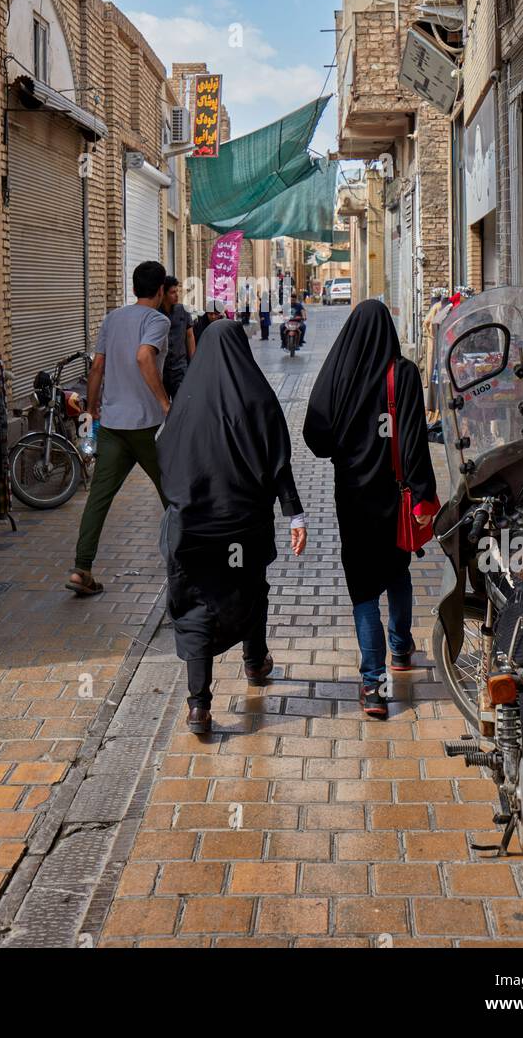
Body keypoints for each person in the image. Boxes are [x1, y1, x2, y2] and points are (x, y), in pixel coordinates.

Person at [157, 320, 307, 733]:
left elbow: (165, 457)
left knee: (197, 606)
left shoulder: (185, 402)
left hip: (195, 529)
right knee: (250, 590)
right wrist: (294, 513)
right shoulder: (256, 396)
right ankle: (255, 662)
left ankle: (198, 706)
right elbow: (278, 460)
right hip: (244, 529)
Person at [303, 300, 439, 718]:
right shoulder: (404, 373)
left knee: (363, 588)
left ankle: (373, 687)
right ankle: (401, 648)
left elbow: (315, 437)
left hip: (353, 500)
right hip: (395, 499)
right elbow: (415, 442)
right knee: (397, 569)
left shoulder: (338, 376)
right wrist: (423, 496)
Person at [67, 260, 170, 596]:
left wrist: (94, 407)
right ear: (158, 291)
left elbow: (97, 367)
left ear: (134, 286)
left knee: (98, 497)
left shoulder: (112, 318)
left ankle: (82, 569)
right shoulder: (157, 320)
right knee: (173, 494)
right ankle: (187, 566)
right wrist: (165, 403)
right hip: (146, 426)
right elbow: (144, 357)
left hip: (112, 424)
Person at [160, 275, 195, 398]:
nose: (177, 295)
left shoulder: (183, 311)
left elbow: (190, 337)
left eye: (177, 291)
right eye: (172, 292)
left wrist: (193, 362)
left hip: (180, 368)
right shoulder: (155, 314)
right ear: (163, 294)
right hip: (161, 370)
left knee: (181, 406)